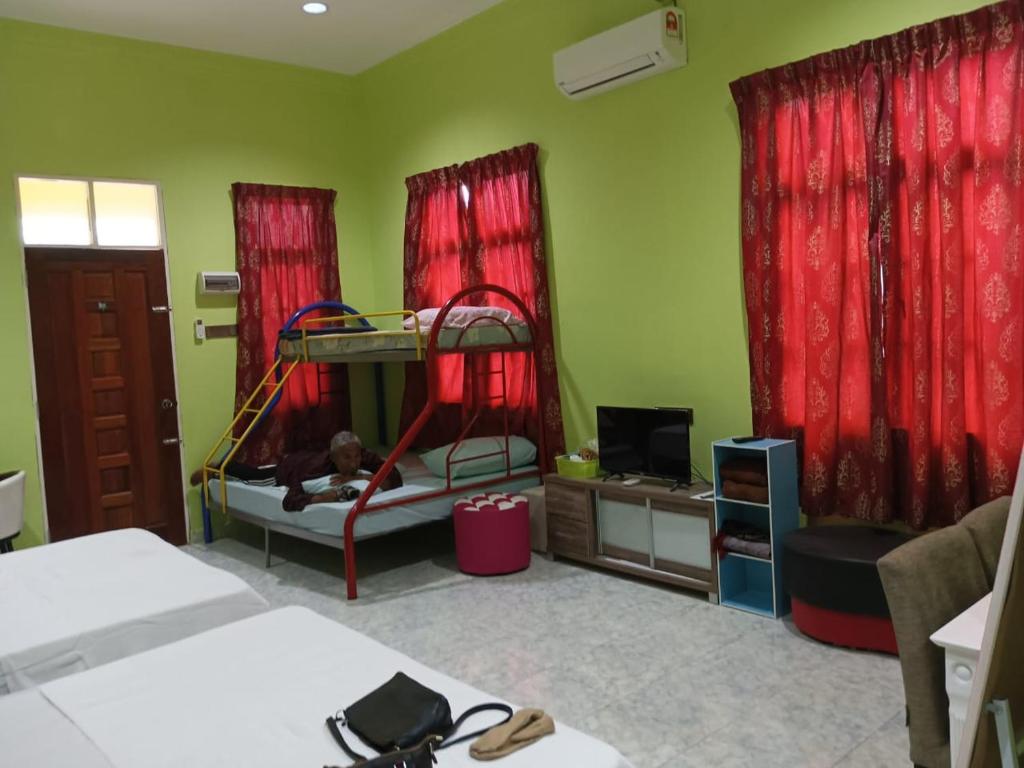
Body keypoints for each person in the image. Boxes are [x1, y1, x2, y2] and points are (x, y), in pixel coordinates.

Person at [193, 431, 402, 512]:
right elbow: (290, 500)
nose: (353, 462)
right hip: (290, 469)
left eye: (356, 456)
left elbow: (394, 476)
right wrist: (321, 497)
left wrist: (360, 476)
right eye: (346, 458)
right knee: (254, 476)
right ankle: (215, 468)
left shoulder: (363, 457)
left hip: (303, 457)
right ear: (334, 457)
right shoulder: (317, 469)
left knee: (257, 472)